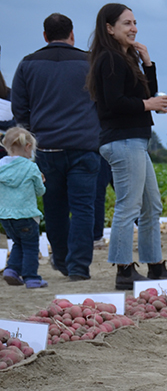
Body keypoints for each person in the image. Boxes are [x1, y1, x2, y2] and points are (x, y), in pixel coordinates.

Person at [9, 14, 102, 281]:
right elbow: (101, 102)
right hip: (84, 146)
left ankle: (61, 260)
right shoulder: (90, 62)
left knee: (54, 208)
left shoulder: (27, 64)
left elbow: (19, 109)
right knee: (83, 208)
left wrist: (33, 135)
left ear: (45, 35)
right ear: (72, 34)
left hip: (46, 148)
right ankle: (79, 266)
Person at [87, 3, 167, 290]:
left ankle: (155, 265)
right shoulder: (109, 60)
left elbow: (147, 94)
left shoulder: (125, 58)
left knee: (151, 204)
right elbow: (113, 104)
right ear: (109, 28)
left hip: (135, 139)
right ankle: (124, 270)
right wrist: (148, 104)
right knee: (129, 206)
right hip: (122, 140)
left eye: (134, 22)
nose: (134, 28)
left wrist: (148, 64)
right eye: (127, 23)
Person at [0, 127, 48, 289]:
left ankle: (11, 269)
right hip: (26, 214)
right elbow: (40, 191)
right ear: (28, 147)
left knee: (18, 242)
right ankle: (31, 277)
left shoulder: (1, 166)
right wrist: (41, 181)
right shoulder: (30, 167)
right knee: (30, 246)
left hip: (5, 216)